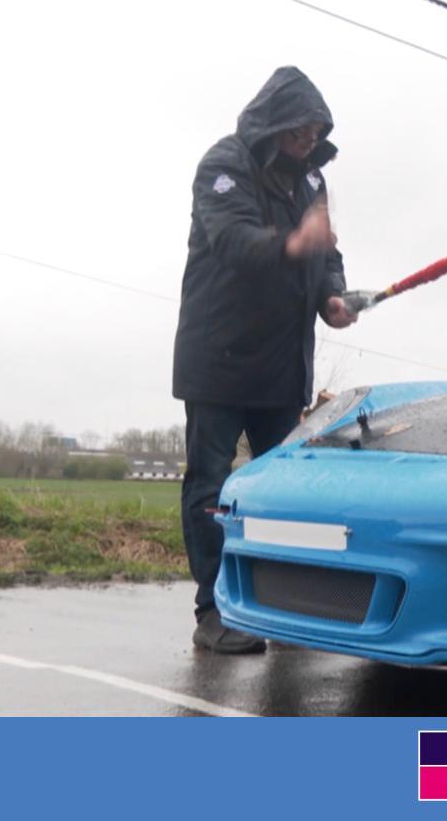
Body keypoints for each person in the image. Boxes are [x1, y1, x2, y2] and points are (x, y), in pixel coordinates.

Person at [172, 66, 357, 654]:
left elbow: (327, 251)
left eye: (314, 134)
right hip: (218, 360)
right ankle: (214, 611)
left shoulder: (312, 179)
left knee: (282, 492)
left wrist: (332, 295)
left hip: (283, 365)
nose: (307, 143)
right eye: (299, 132)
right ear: (275, 122)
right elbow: (232, 240)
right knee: (212, 486)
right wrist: (292, 244)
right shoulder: (224, 165)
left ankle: (279, 606)